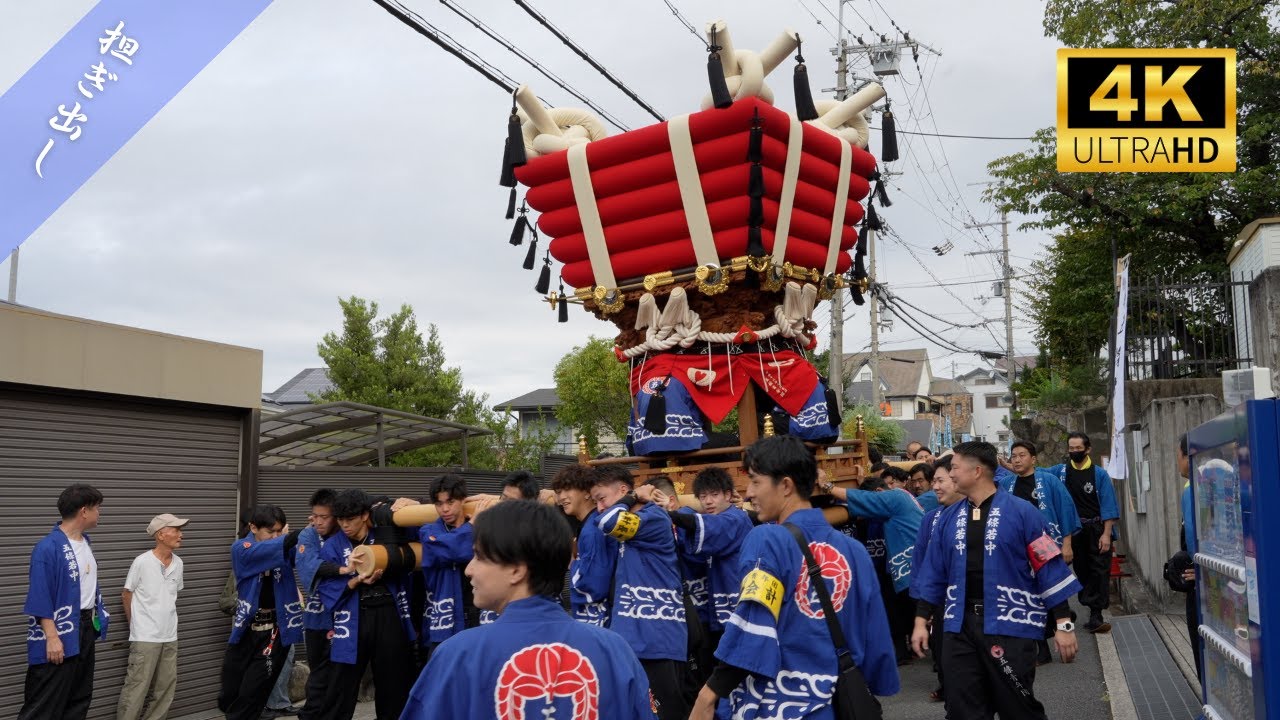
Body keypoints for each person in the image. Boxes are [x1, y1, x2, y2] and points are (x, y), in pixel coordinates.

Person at [691, 436, 899, 719]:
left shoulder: (767, 539)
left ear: (786, 485)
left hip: (781, 704)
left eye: (755, 481)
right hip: (839, 703)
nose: (748, 493)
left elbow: (754, 625)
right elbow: (874, 632)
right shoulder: (855, 551)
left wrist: (709, 693)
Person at [401, 500, 657, 719]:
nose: (469, 569)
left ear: (517, 569)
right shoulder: (615, 650)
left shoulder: (457, 655)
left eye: (478, 556)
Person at [911, 441, 1081, 720]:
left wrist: (1064, 623)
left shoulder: (1023, 512)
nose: (950, 474)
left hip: (1009, 625)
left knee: (1017, 706)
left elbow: (1048, 566)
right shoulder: (947, 519)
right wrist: (921, 620)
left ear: (976, 471)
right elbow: (933, 572)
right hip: (958, 626)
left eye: (954, 467)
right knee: (962, 708)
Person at [591, 466, 689, 720]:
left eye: (602, 498)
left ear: (623, 491)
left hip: (657, 640)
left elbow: (607, 522)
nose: (599, 506)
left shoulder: (653, 518)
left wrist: (634, 497)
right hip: (634, 639)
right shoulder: (636, 524)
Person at [316, 489, 417, 720]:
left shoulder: (384, 534)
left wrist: (409, 502)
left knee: (393, 681)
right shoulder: (332, 546)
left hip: (388, 612)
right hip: (352, 616)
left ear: (364, 515)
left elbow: (416, 536)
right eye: (340, 520)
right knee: (340, 683)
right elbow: (325, 587)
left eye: (350, 519)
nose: (344, 525)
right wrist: (355, 579)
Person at [20, 484, 109, 720]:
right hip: (61, 630)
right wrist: (51, 637)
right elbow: (40, 595)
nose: (99, 513)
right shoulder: (47, 548)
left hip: (85, 627)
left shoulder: (85, 542)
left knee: (79, 697)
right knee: (45, 701)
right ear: (84, 511)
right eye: (97, 508)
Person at [824, 465, 924, 665]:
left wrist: (827, 486)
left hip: (913, 569)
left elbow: (868, 501)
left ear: (879, 493)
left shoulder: (896, 496)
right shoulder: (899, 499)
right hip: (910, 569)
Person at [218, 504, 303, 720]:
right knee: (230, 689)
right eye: (270, 531)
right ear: (253, 528)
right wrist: (286, 538)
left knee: (253, 692)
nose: (275, 536)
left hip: (274, 630)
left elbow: (302, 555)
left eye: (278, 531)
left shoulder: (284, 548)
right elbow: (264, 551)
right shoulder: (241, 549)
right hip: (246, 629)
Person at [1003, 440, 1082, 664]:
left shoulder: (1049, 481)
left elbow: (1066, 510)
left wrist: (1067, 544)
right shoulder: (1006, 484)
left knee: (1054, 594)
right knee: (1030, 598)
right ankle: (1042, 649)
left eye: (1021, 455)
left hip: (1047, 546)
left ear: (1033, 459)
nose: (1016, 459)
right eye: (1013, 456)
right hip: (1020, 549)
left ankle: (1064, 626)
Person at [1046, 432, 1119, 633]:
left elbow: (1108, 504)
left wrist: (1106, 533)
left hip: (1096, 529)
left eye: (1079, 448)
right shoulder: (1060, 471)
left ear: (1088, 449)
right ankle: (1078, 607)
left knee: (1100, 571)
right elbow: (1038, 474)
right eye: (1071, 448)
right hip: (1072, 530)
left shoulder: (1099, 474)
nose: (1075, 452)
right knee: (1082, 570)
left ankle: (1097, 614)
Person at [117, 513, 188, 720]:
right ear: (161, 535)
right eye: (175, 530)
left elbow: (171, 596)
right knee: (136, 688)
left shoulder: (179, 563)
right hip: (145, 637)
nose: (180, 535)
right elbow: (126, 594)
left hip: (170, 635)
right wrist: (135, 625)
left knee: (165, 689)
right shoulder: (142, 562)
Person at [908, 457, 964, 704]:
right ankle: (947, 686)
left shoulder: (987, 513)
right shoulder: (931, 519)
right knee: (942, 652)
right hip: (942, 601)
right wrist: (924, 607)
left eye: (940, 480)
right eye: (934, 482)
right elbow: (921, 563)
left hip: (974, 601)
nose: (935, 487)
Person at [419, 474, 479, 652]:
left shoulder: (483, 526)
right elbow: (449, 550)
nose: (444, 509)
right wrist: (472, 525)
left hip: (478, 609)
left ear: (462, 500)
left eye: (450, 502)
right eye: (439, 504)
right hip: (445, 614)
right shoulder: (428, 531)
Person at [294, 488, 339, 720]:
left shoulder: (345, 533)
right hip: (315, 617)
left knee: (339, 675)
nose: (318, 522)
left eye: (325, 517)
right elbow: (308, 567)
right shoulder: (308, 535)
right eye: (315, 516)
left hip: (342, 617)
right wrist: (342, 569)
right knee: (319, 672)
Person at [1175, 433, 1201, 682]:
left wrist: (1199, 568)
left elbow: (1193, 536)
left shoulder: (1191, 488)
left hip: (1202, 583)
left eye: (1178, 456)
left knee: (1200, 640)